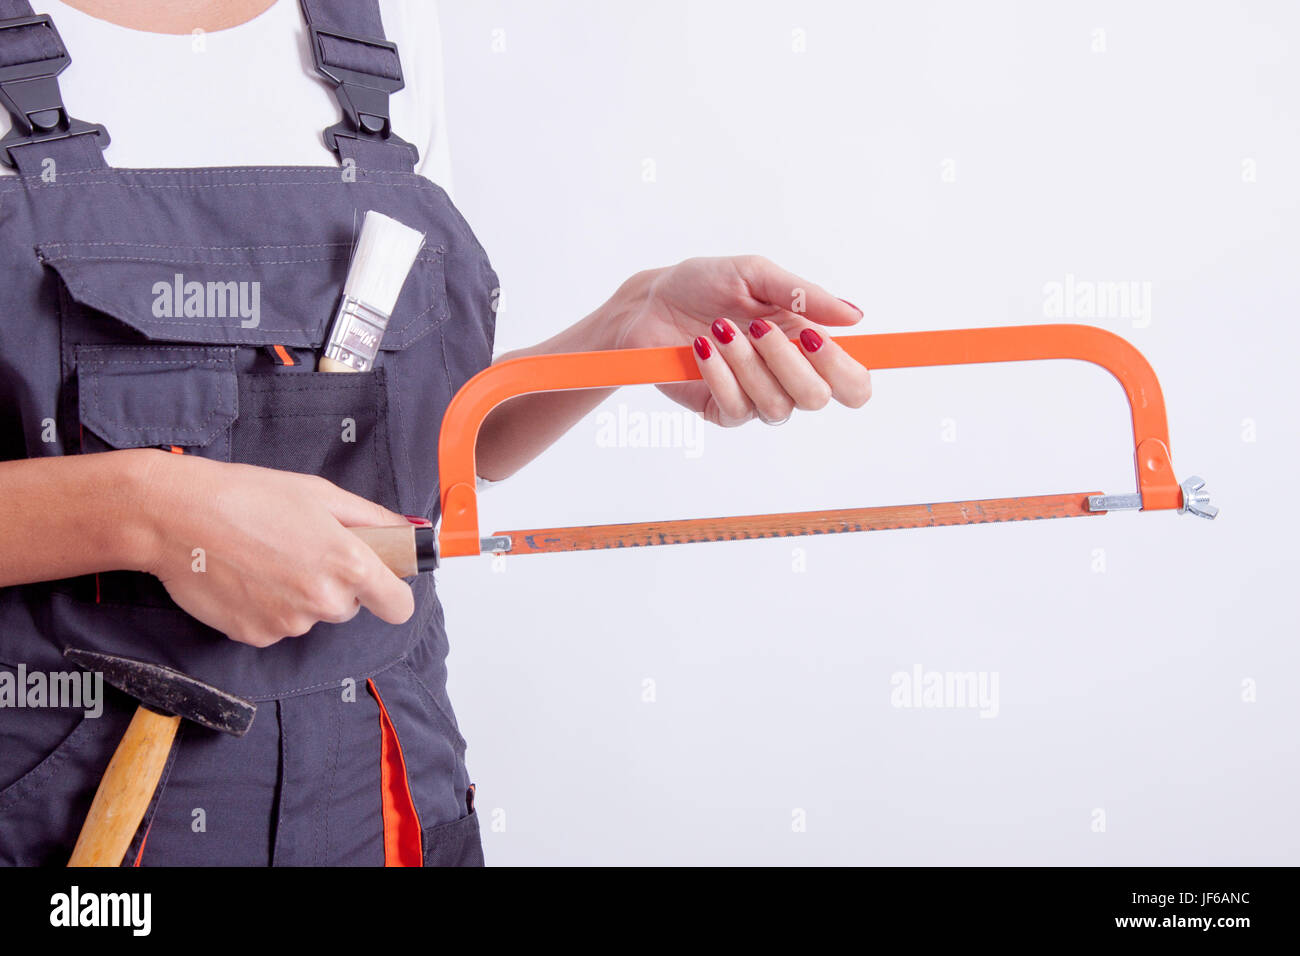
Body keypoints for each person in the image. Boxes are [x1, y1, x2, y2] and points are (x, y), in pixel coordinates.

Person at [0, 0, 871, 866]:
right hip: (67, 812)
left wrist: (621, 327)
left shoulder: (379, 23)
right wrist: (147, 513)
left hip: (387, 794)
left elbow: (422, 449)